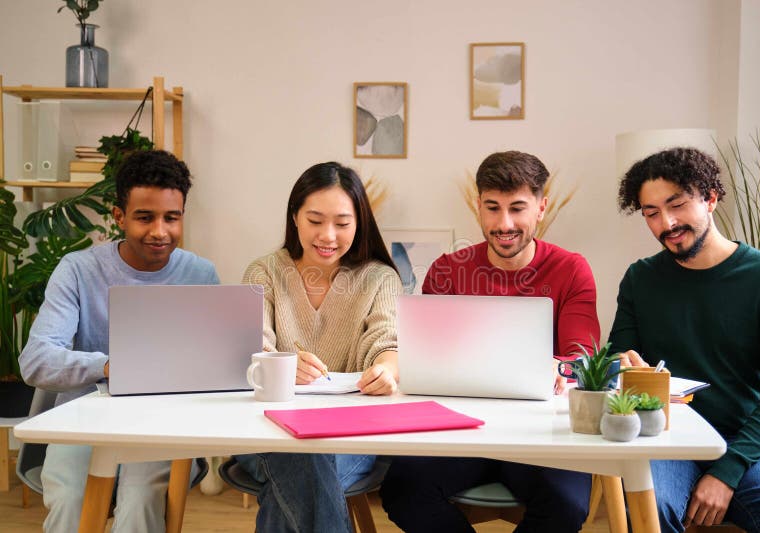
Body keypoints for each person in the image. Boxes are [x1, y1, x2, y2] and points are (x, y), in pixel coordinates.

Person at [379, 150, 601, 533]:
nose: (504, 223)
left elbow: (581, 359)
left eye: (517, 208)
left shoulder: (571, 269)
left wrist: (560, 366)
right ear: (478, 206)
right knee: (403, 490)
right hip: (460, 431)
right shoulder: (447, 271)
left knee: (565, 504)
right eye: (493, 208)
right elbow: (427, 358)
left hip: (540, 435)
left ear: (541, 207)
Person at [19, 150, 219, 533]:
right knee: (71, 501)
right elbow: (36, 360)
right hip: (83, 419)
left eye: (171, 218)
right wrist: (110, 367)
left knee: (141, 501)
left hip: (164, 423)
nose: (159, 231)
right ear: (119, 216)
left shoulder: (200, 274)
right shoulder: (78, 270)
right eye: (145, 217)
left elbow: (216, 363)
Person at [609, 147, 760, 532]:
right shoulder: (640, 279)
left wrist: (726, 473)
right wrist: (620, 365)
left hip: (744, 441)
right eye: (651, 213)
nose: (666, 223)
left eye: (677, 205)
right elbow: (615, 359)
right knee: (649, 509)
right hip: (664, 437)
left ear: (710, 198)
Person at [235, 161, 402, 533]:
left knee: (299, 470)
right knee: (303, 456)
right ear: (295, 217)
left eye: (342, 223)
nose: (328, 235)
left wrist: (386, 371)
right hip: (265, 430)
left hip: (349, 434)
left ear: (359, 223)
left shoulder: (379, 278)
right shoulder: (264, 272)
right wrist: (280, 365)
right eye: (315, 220)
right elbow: (251, 348)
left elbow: (387, 341)